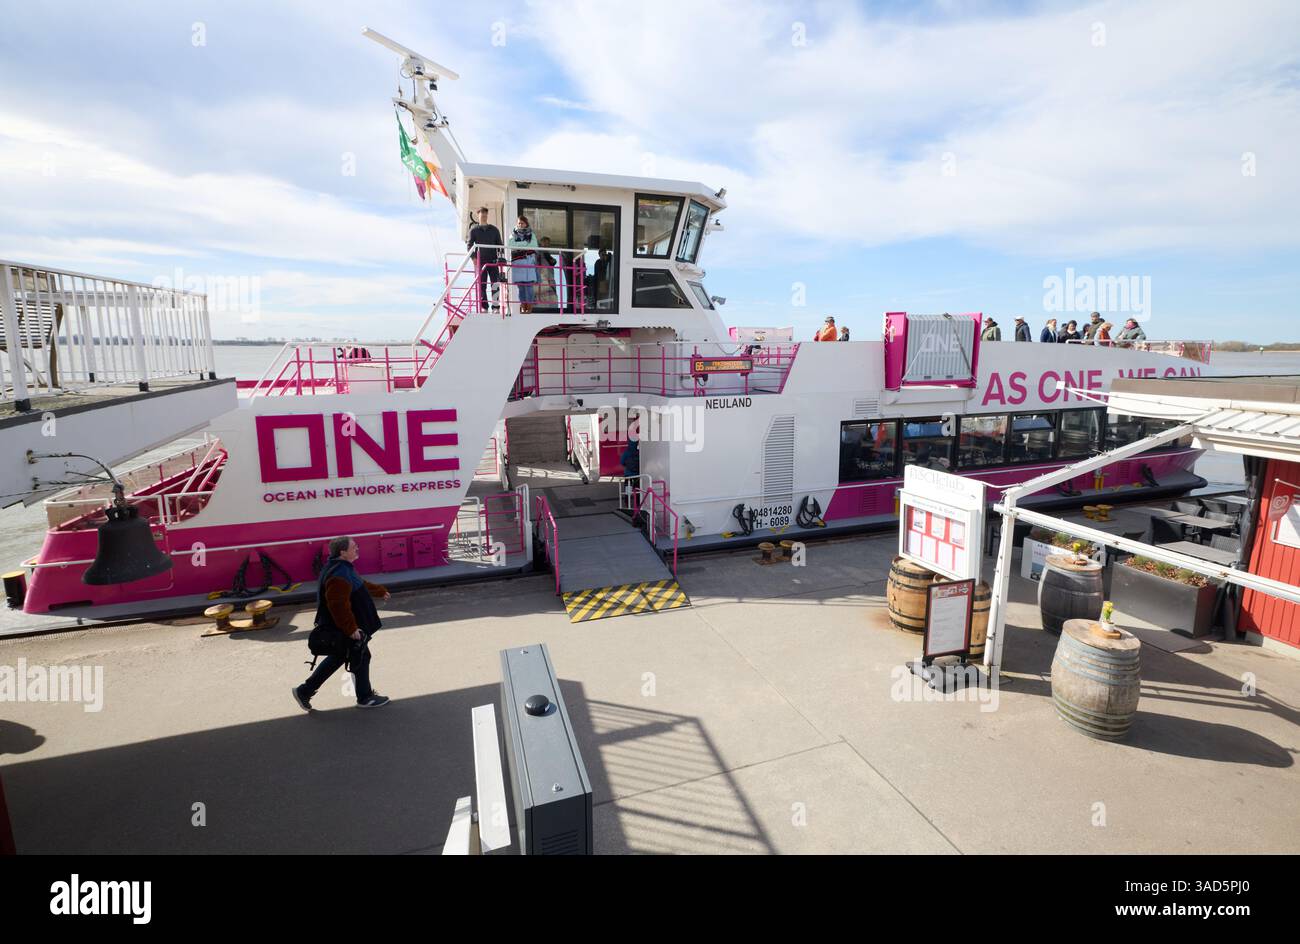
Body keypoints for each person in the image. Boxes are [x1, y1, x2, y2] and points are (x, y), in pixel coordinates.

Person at [292, 536, 391, 711]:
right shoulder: (339, 574)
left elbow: (360, 584)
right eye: (354, 547)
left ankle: (305, 691)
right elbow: (337, 604)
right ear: (343, 552)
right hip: (344, 627)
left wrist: (379, 591)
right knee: (360, 655)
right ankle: (365, 697)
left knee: (343, 656)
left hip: (344, 626)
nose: (357, 548)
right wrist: (350, 628)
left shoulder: (342, 568)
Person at [466, 207, 504, 311]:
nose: (483, 215)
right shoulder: (473, 230)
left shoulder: (494, 230)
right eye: (481, 214)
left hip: (493, 261)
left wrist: (500, 258)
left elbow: (500, 245)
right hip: (480, 261)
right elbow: (469, 245)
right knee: (482, 285)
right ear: (478, 215)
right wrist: (473, 258)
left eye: (485, 214)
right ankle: (484, 307)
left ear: (487, 215)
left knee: (495, 284)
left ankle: (496, 306)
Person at [507, 214, 540, 314]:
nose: (520, 225)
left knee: (529, 286)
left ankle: (529, 306)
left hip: (529, 263)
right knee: (521, 288)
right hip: (518, 264)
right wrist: (526, 244)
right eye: (519, 223)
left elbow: (534, 245)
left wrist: (520, 246)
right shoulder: (513, 234)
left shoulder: (532, 234)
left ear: (526, 224)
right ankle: (523, 306)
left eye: (522, 223)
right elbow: (511, 245)